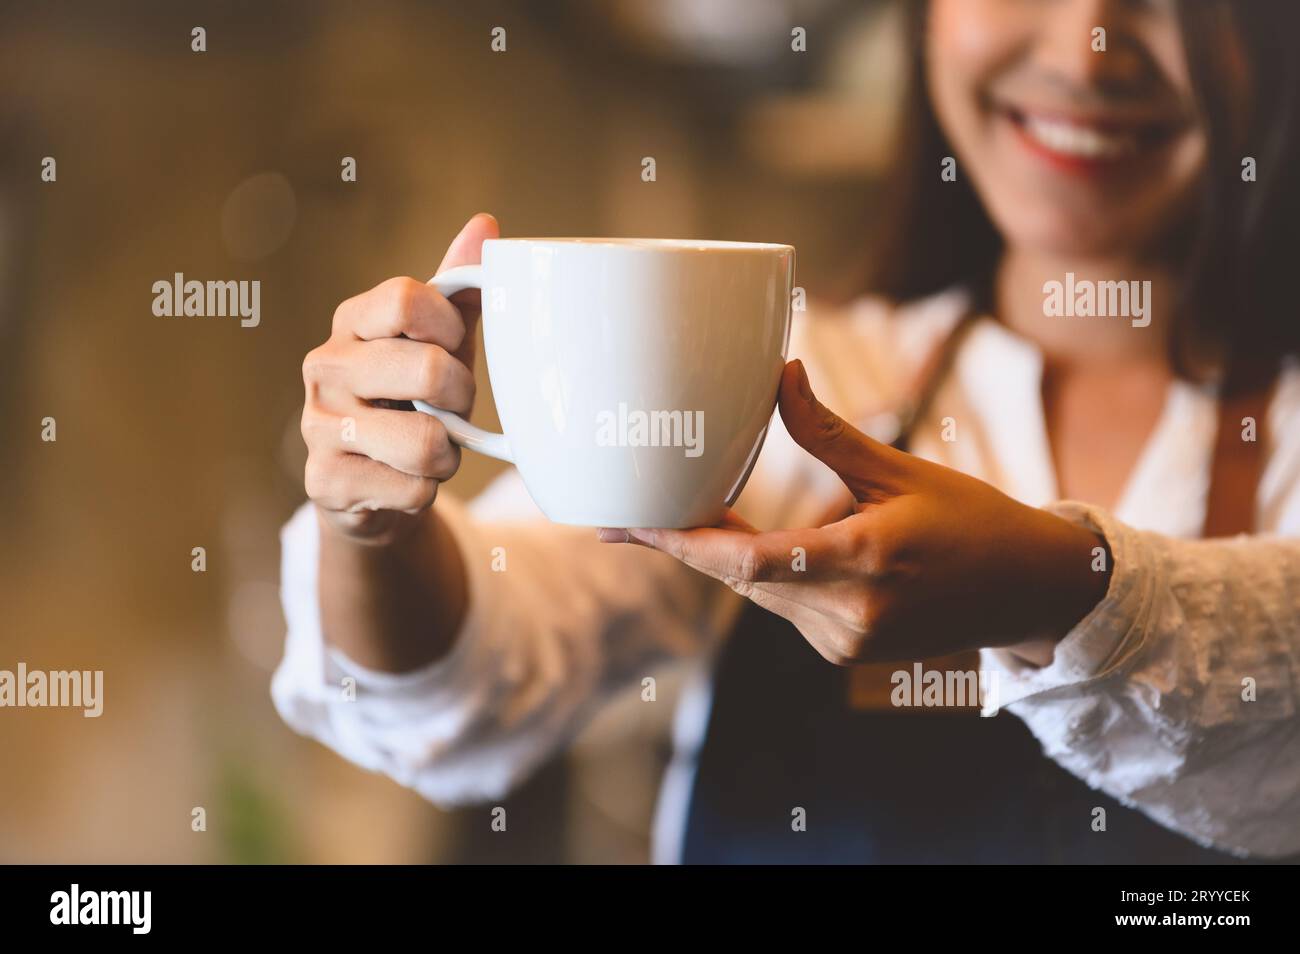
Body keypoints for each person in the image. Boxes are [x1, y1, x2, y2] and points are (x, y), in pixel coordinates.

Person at [274, 0, 1300, 863]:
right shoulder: (785, 379)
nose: (1086, 49)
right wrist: (374, 532)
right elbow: (473, 676)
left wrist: (1061, 594)